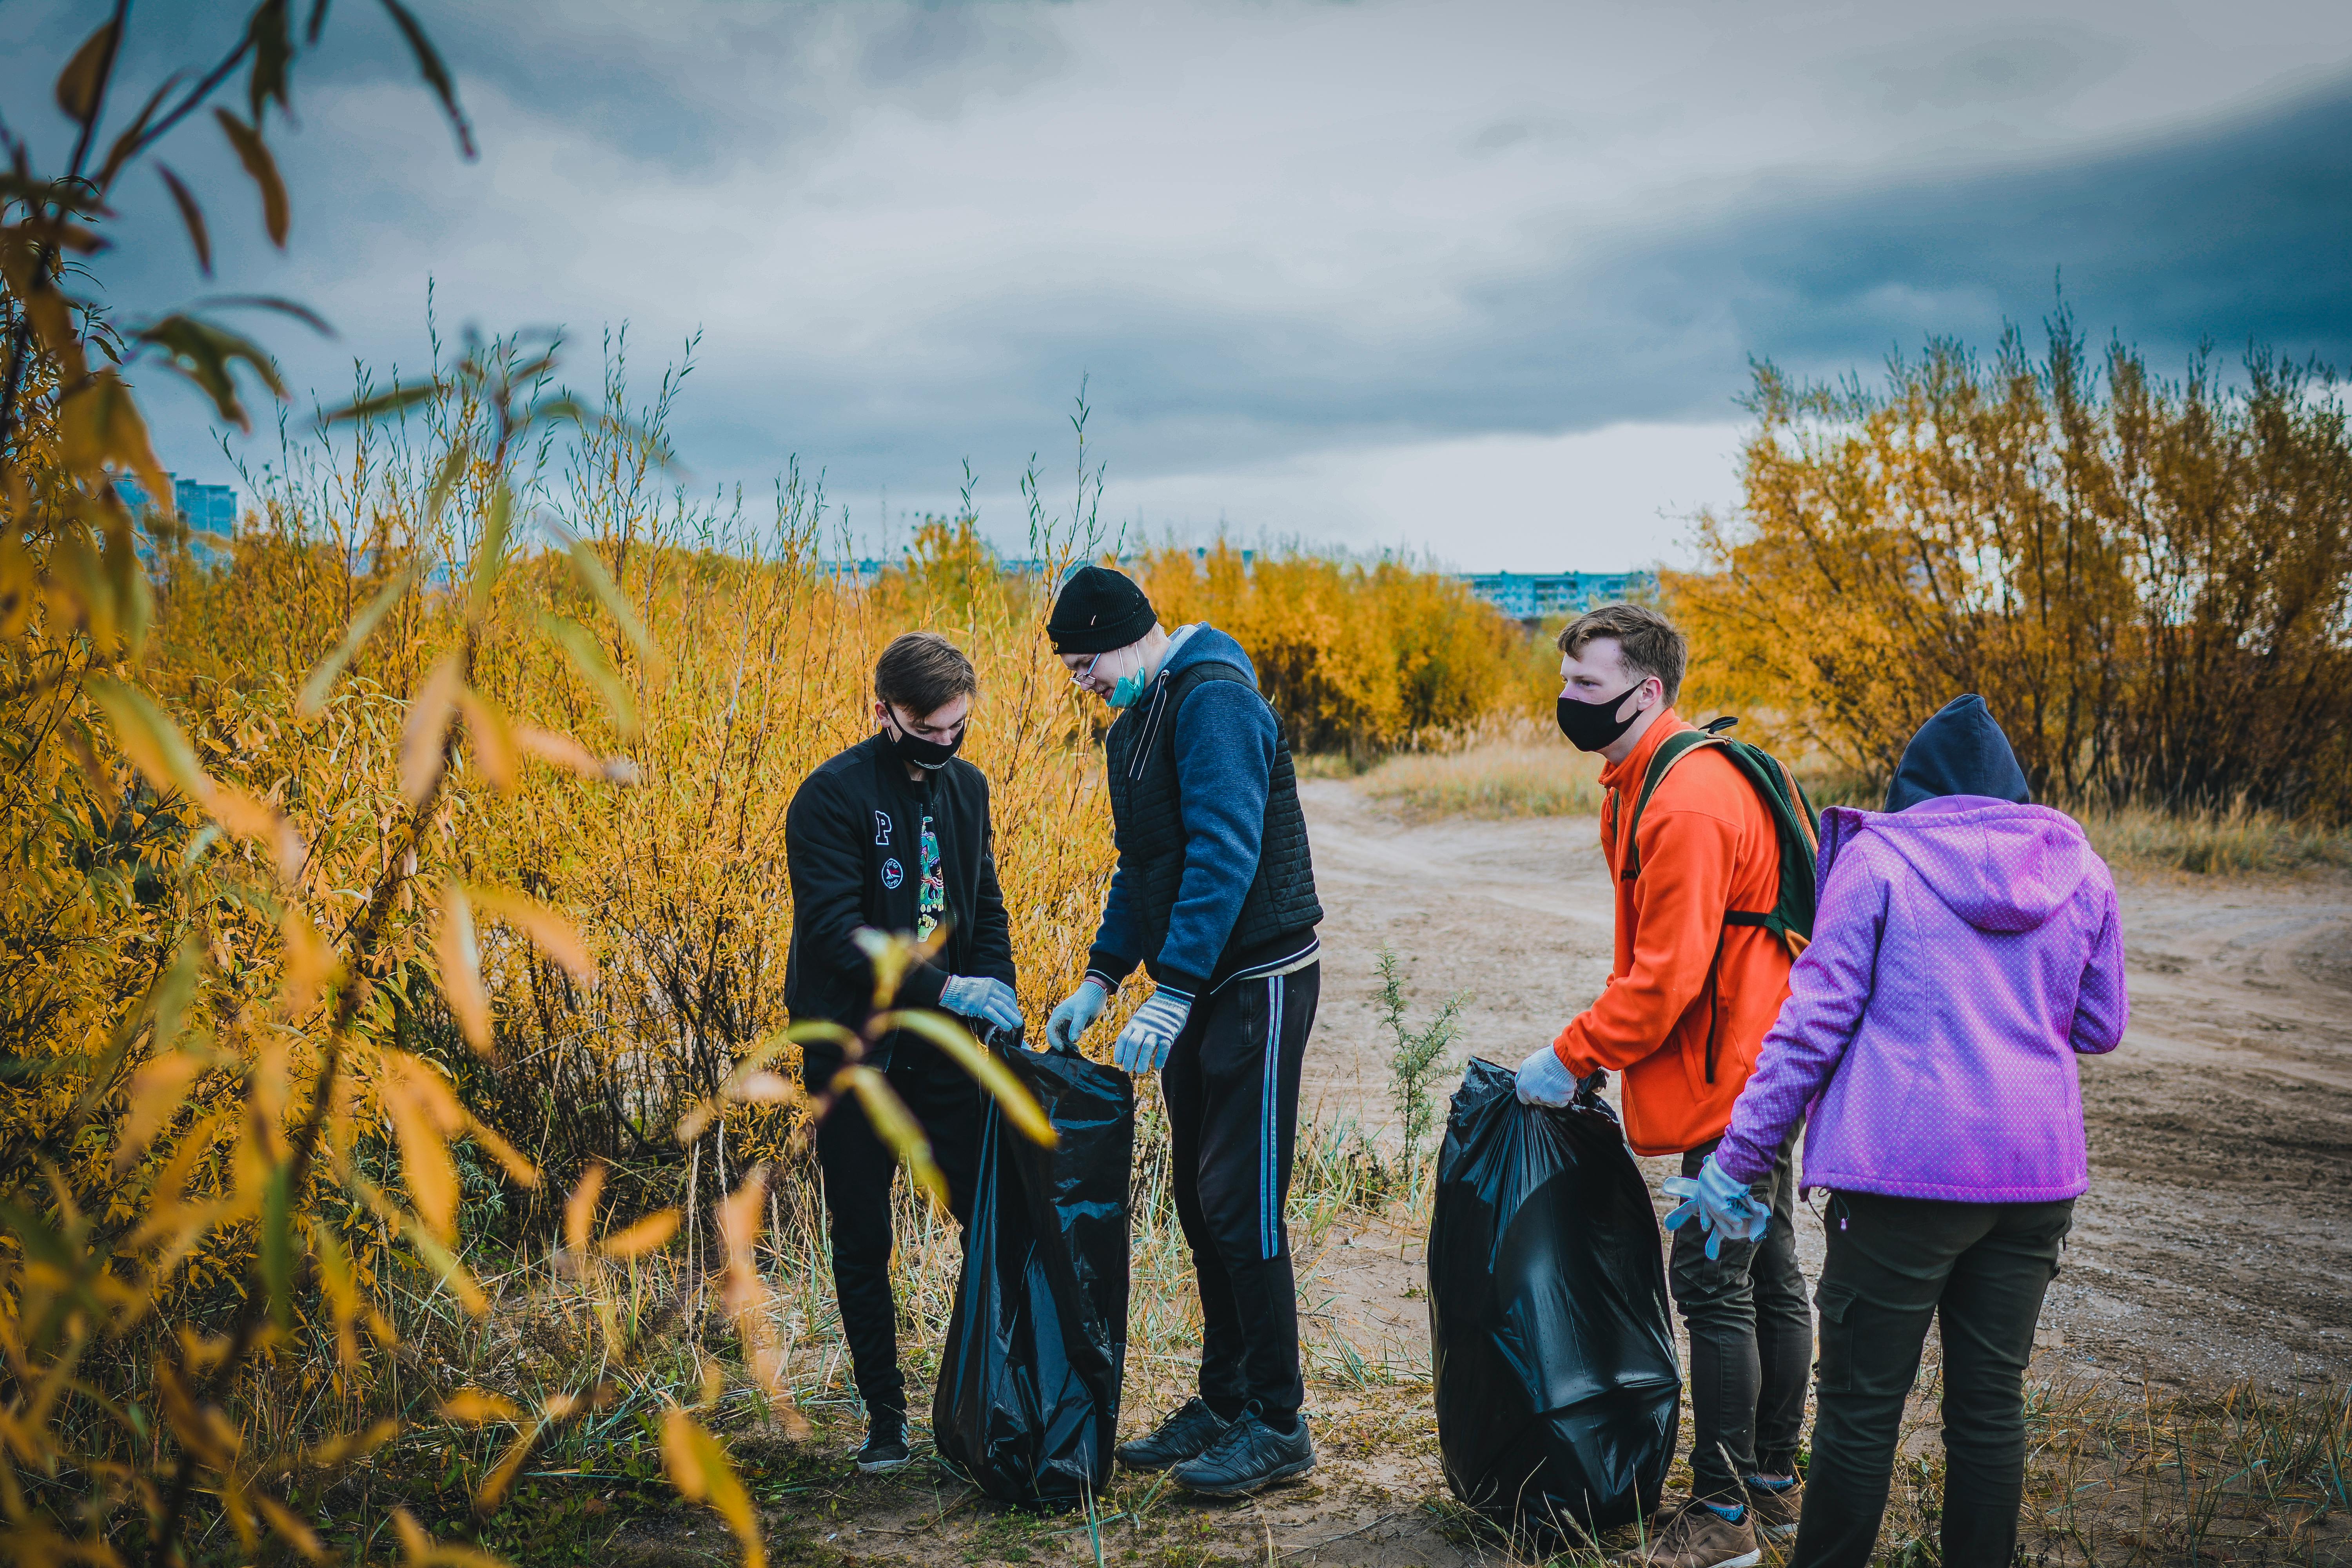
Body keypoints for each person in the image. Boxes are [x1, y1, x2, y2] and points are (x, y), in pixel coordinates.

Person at [1686, 694, 2129, 1568]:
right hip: (2034, 1179)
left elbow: (1811, 1024)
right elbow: (2100, 1023)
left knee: (1859, 1417)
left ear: (1911, 785)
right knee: (1990, 1408)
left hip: (1900, 1183)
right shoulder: (2080, 865)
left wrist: (1734, 1164)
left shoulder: (1883, 857)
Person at [1513, 603, 1811, 1568]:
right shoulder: (1658, 772)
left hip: (1742, 1073)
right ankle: (1772, 1484)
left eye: (1589, 686)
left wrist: (1572, 1055)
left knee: (1714, 1279)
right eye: (1565, 682)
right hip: (1764, 1056)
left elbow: (1667, 977)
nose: (1569, 701)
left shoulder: (1686, 799)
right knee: (1766, 1269)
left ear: (1649, 691)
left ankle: (1723, 1516)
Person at [1042, 564, 1324, 1498]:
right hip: (1198, 984)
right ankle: (1227, 1395)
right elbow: (1145, 863)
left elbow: (1225, 848)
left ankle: (1279, 1423)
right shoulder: (1139, 722)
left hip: (1260, 975)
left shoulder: (1212, 700)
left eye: (1088, 664)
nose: (1085, 683)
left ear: (1128, 634)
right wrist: (1100, 975)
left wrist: (1175, 987)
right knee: (1204, 1203)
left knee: (1242, 1199)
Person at [783, 632, 1025, 1473]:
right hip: (855, 1055)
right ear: (880, 706)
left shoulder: (969, 788)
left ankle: (994, 1395)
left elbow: (983, 905)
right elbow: (836, 934)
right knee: (862, 1236)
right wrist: (949, 988)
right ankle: (885, 1419)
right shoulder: (827, 798)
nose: (946, 743)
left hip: (947, 1053)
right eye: (928, 729)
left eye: (958, 726)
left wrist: (998, 994)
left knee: (995, 1216)